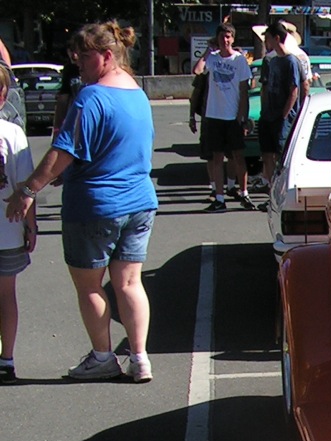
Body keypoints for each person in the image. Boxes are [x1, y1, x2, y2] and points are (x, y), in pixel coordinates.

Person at [4, 21, 159, 383]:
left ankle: (104, 356)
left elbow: (63, 153)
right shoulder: (137, 93)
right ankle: (139, 358)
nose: (79, 64)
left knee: (90, 285)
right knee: (129, 283)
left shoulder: (91, 97)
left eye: (85, 57)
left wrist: (28, 191)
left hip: (95, 204)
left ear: (107, 56)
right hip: (138, 201)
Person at [0, 67, 36, 384]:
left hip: (8, 228)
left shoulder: (12, 133)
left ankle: (7, 359)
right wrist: (30, 225)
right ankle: (6, 359)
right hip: (8, 227)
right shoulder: (12, 133)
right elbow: (27, 187)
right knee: (6, 294)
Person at [195, 23, 253, 212]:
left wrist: (242, 116)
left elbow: (244, 91)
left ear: (233, 39)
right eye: (222, 37)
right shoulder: (212, 59)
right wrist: (207, 50)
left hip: (232, 117)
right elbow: (197, 70)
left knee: (237, 156)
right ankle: (219, 197)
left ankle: (244, 194)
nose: (225, 40)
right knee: (217, 157)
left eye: (228, 37)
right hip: (214, 115)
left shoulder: (239, 61)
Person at [257, 21, 303, 195]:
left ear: (277, 38)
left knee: (281, 156)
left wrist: (284, 115)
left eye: (268, 39)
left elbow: (294, 91)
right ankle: (270, 191)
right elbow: (265, 87)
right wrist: (264, 110)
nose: (266, 43)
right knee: (267, 154)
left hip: (282, 117)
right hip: (268, 114)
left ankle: (282, 193)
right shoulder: (272, 61)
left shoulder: (291, 61)